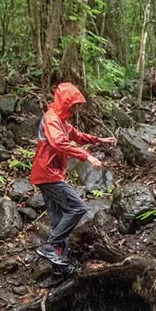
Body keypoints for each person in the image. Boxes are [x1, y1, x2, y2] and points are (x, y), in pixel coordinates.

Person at [30, 82, 116, 272]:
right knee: (77, 208)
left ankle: (60, 267)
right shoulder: (51, 119)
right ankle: (49, 247)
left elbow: (75, 135)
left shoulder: (60, 121)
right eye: (73, 104)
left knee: (59, 221)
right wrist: (87, 156)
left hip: (49, 175)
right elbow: (60, 143)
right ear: (65, 103)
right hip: (48, 175)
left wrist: (98, 140)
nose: (75, 109)